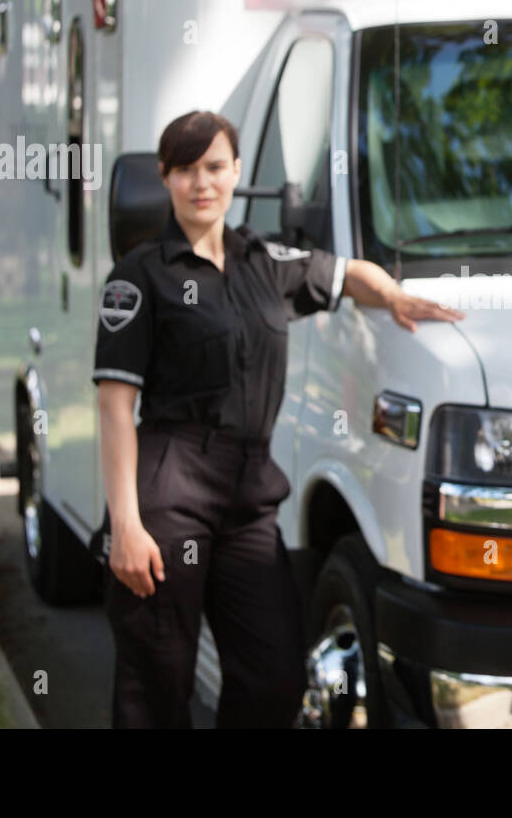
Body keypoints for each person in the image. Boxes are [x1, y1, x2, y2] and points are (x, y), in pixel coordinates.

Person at [91, 110, 462, 727]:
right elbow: (112, 406)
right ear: (164, 178)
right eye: (185, 170)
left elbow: (346, 276)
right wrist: (125, 524)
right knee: (156, 684)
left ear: (237, 170)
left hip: (247, 498)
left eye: (213, 166)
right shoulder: (138, 277)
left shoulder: (264, 261)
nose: (201, 182)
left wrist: (393, 294)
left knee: (275, 675)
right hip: (168, 491)